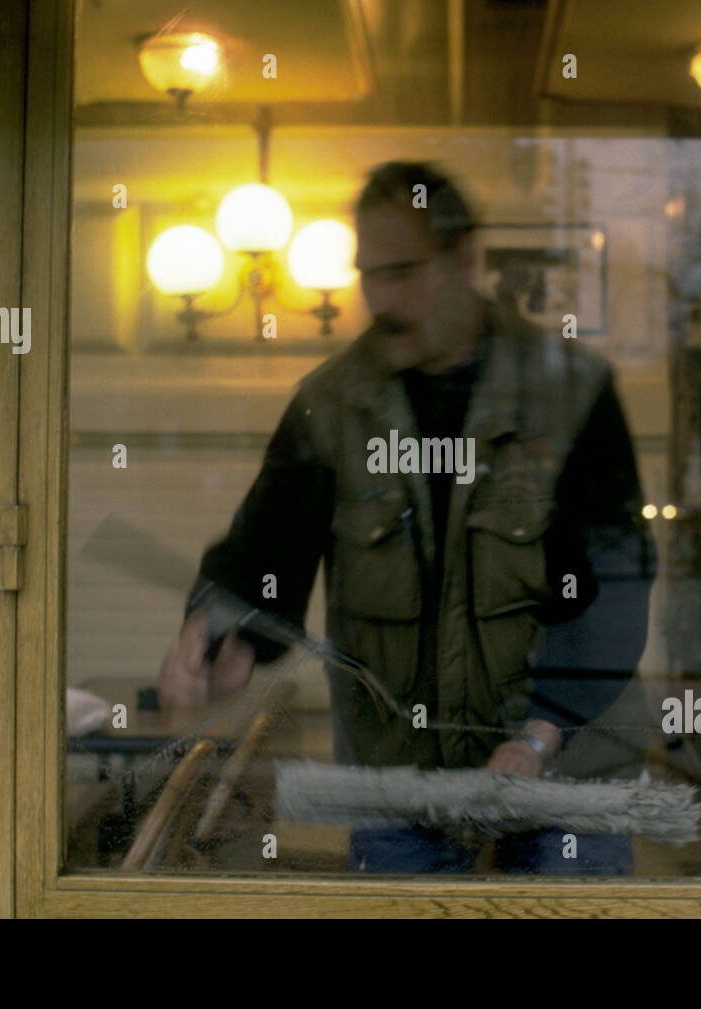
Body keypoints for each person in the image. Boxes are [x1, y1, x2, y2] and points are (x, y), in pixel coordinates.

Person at [159, 161, 656, 874]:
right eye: (370, 274)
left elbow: (614, 588)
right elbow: (263, 553)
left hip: (567, 774)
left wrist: (541, 734)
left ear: (465, 259)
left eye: (403, 272)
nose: (381, 298)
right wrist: (213, 629)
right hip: (398, 786)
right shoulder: (328, 406)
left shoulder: (572, 391)